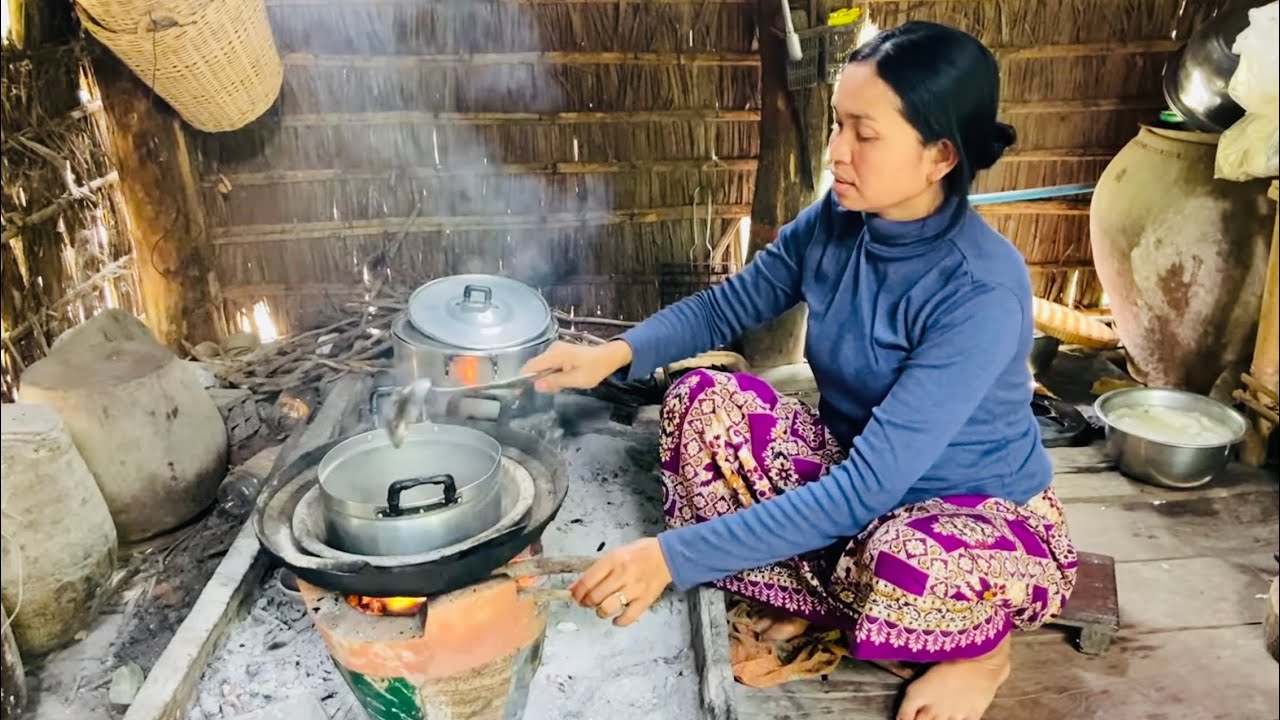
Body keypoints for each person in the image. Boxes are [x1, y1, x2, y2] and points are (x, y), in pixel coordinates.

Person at [521, 20, 1077, 720]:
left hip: (966, 520)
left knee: (907, 558)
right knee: (703, 404)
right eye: (837, 126)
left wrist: (668, 557)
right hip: (857, 478)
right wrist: (612, 354)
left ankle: (981, 652)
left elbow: (869, 489)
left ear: (940, 155)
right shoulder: (837, 221)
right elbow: (728, 307)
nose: (837, 152)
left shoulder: (980, 290)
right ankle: (842, 597)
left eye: (864, 134)